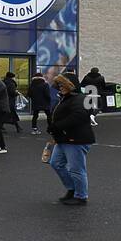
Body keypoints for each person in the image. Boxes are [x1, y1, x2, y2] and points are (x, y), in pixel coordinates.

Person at [47, 72, 93, 205]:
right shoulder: (66, 98)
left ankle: (81, 196)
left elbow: (79, 116)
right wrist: (55, 128)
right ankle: (72, 189)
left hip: (76, 139)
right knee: (55, 163)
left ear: (70, 85)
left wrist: (57, 126)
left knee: (76, 169)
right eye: (59, 84)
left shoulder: (79, 98)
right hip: (64, 138)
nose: (60, 87)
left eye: (62, 84)